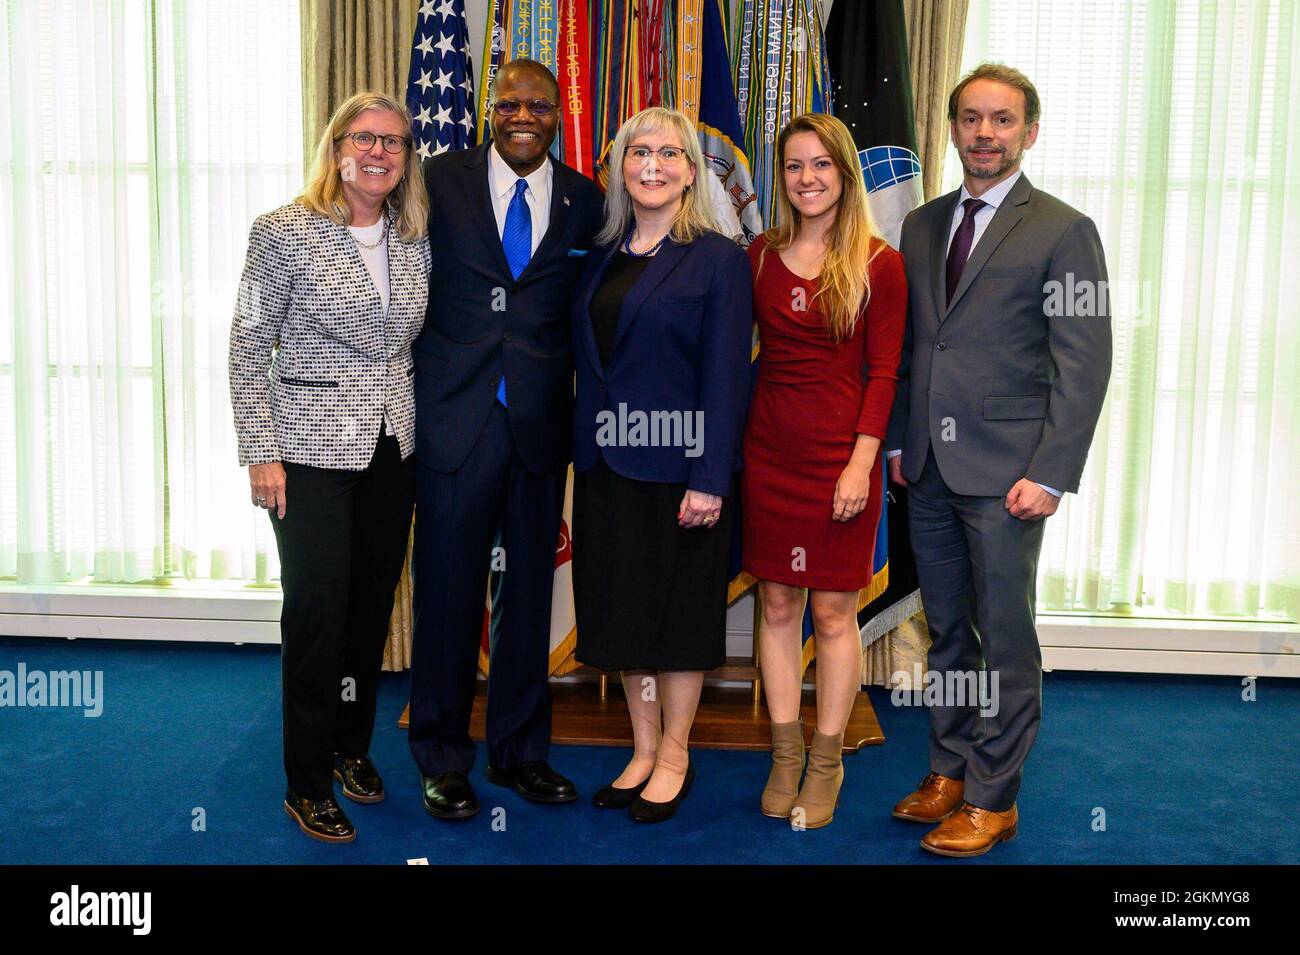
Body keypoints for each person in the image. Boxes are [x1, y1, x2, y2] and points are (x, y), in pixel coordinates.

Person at [886, 63, 1111, 857]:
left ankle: (994, 795)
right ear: (952, 129)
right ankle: (949, 767)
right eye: (971, 119)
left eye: (1002, 120)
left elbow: (1083, 363)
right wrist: (896, 441)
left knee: (1004, 635)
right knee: (946, 631)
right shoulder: (921, 225)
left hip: (1010, 475)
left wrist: (1050, 472)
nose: (985, 133)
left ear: (1029, 131)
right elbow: (915, 346)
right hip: (928, 472)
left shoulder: (1063, 228)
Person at [229, 91, 431, 843]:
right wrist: (260, 450)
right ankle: (305, 780)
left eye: (395, 142)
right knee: (316, 616)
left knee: (370, 611)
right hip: (306, 457)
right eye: (365, 138)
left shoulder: (414, 235)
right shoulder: (282, 231)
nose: (380, 152)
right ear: (336, 144)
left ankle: (351, 748)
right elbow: (249, 343)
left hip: (392, 450)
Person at [408, 60, 604, 820]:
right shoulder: (435, 182)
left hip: (537, 426)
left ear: (559, 114)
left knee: (527, 595)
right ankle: (442, 756)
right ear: (489, 110)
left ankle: (521, 752)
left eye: (539, 105)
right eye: (509, 104)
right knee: (449, 594)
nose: (524, 115)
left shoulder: (586, 199)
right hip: (455, 422)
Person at [571, 106, 752, 823]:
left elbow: (725, 378)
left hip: (681, 474)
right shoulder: (602, 252)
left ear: (690, 170)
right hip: (605, 470)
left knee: (676, 625)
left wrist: (710, 477)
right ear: (620, 166)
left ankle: (676, 753)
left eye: (668, 153)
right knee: (625, 620)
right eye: (638, 151)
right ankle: (642, 749)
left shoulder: (717, 258)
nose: (651, 164)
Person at [742, 113, 907, 830]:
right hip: (769, 456)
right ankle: (784, 752)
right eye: (793, 166)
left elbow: (884, 371)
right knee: (777, 605)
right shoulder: (759, 255)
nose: (806, 178)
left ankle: (827, 760)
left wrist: (861, 464)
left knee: (835, 614)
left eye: (820, 165)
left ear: (844, 173)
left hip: (843, 463)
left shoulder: (878, 262)